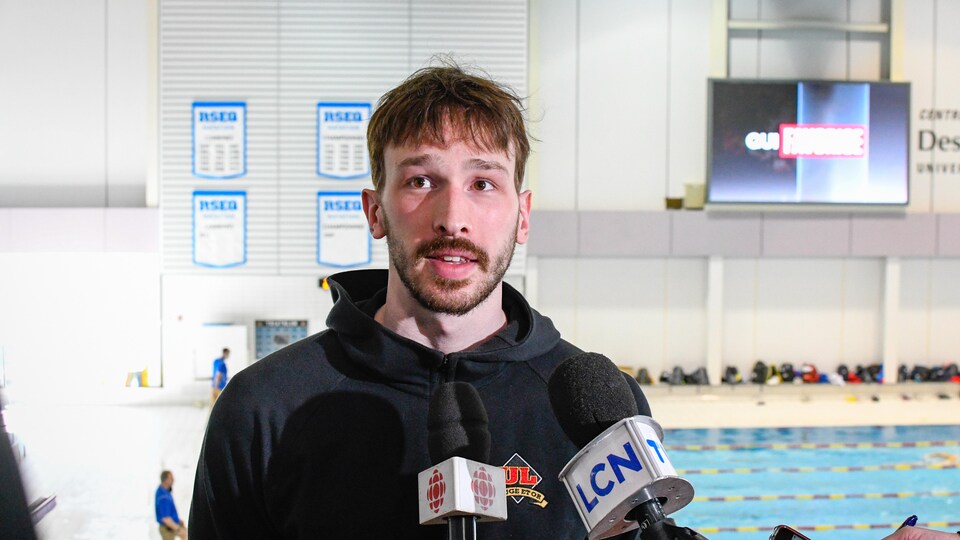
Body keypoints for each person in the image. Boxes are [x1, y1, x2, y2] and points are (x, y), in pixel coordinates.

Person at [189, 62, 651, 539]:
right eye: (421, 181)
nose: (453, 218)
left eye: (483, 183)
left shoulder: (600, 417)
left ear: (523, 215)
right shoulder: (263, 408)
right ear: (375, 211)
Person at [156, 470, 187, 539]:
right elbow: (166, 518)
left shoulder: (164, 491)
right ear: (166, 480)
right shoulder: (163, 497)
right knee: (184, 534)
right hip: (167, 528)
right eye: (171, 478)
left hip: (172, 524)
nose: (173, 480)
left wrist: (178, 521)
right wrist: (178, 529)